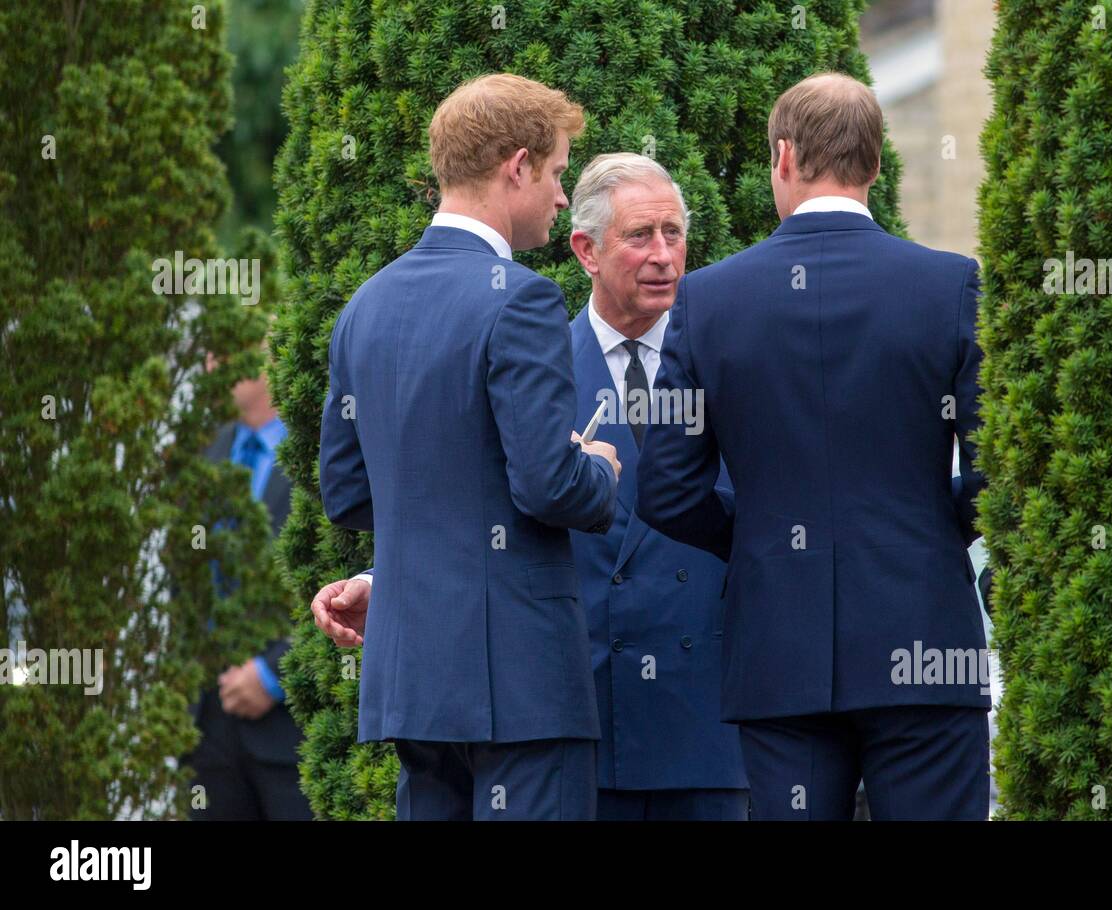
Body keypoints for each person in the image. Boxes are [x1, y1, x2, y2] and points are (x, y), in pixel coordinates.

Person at [314, 153, 751, 821]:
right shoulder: (529, 349)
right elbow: (464, 493)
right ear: (586, 250)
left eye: (674, 232)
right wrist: (384, 580)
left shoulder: (734, 362)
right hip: (566, 720)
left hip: (702, 730)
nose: (664, 254)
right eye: (640, 236)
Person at [637, 72, 990, 821]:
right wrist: (933, 528)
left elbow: (666, 489)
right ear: (877, 164)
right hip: (924, 642)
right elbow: (998, 477)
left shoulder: (708, 299)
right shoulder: (952, 286)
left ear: (784, 157)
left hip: (778, 653)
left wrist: (763, 535)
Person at [316, 74, 620, 821]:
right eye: (554, 173)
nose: (559, 197)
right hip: (521, 683)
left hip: (414, 682)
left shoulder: (365, 305)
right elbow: (551, 487)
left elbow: (349, 493)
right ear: (515, 165)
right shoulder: (521, 296)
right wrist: (600, 468)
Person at [190, 365, 312, 820]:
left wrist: (271, 674)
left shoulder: (318, 453)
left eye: (227, 349)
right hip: (209, 725)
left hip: (291, 730)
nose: (211, 364)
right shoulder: (210, 451)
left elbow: (344, 582)